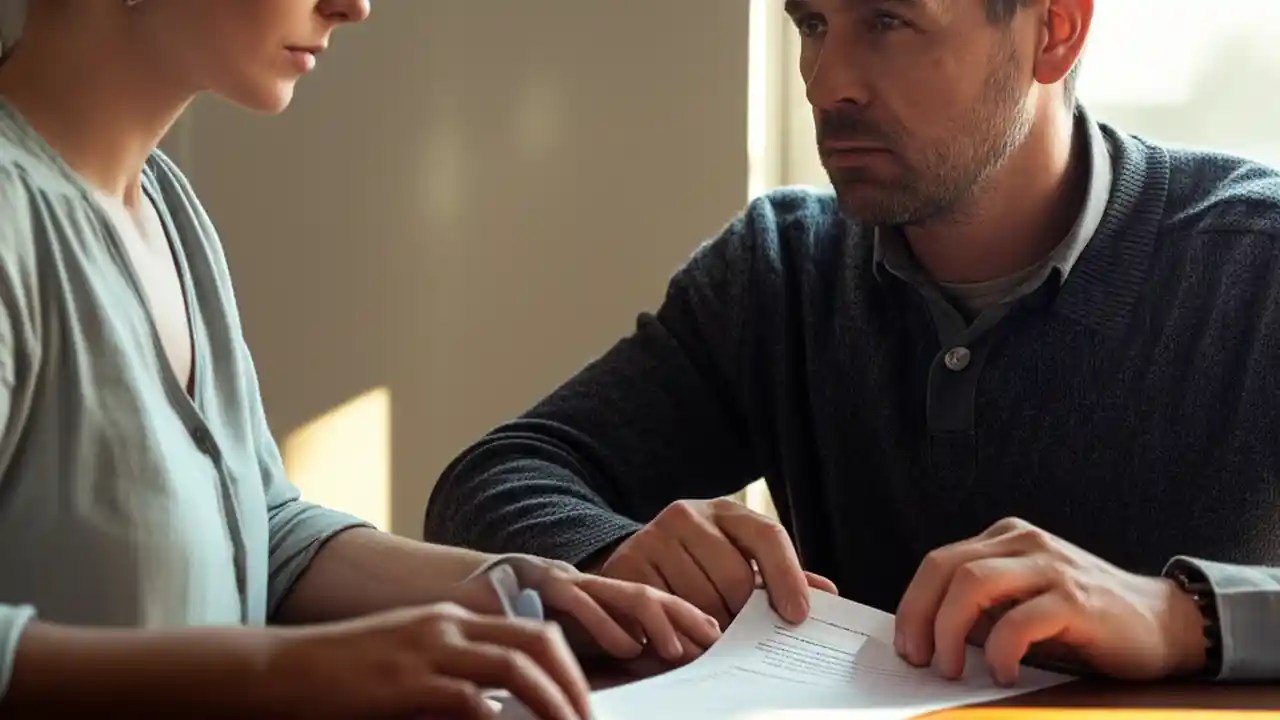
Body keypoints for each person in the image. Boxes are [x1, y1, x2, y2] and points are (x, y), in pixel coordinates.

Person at [425, 0, 1280, 687]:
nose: (827, 83)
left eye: (887, 21)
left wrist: (1180, 618)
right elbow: (492, 479)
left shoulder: (1256, 261)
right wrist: (612, 551)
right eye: (812, 24)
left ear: (1053, 30)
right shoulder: (782, 270)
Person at [0, 1, 723, 717]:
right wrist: (289, 670)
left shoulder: (165, 206)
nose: (354, 7)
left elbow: (264, 529)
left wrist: (521, 588)